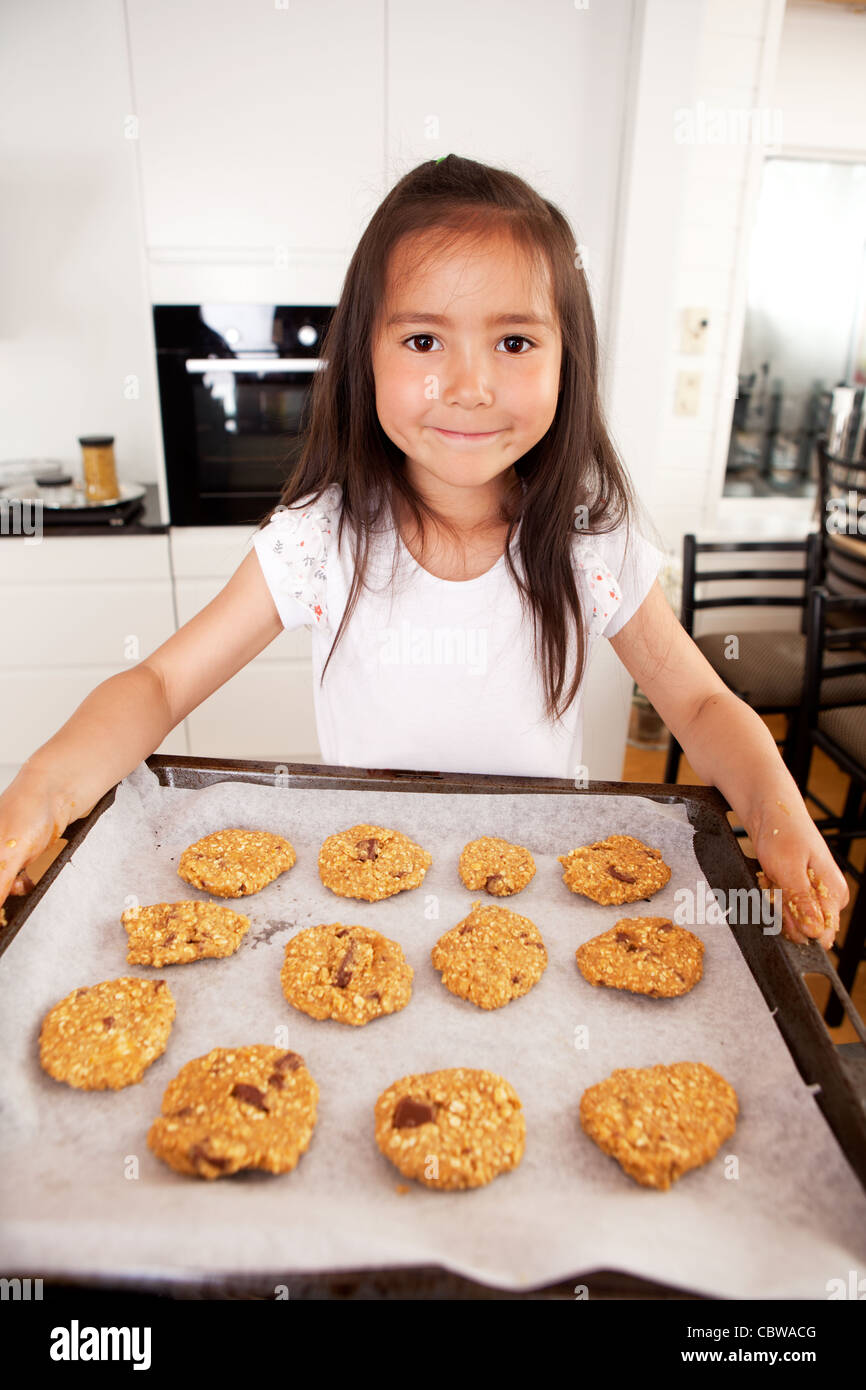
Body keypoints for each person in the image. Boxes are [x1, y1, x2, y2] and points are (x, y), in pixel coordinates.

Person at [0, 154, 847, 947]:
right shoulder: (319, 541)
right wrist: (44, 786)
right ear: (363, 356)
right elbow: (160, 683)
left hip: (533, 907)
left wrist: (776, 808)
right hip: (360, 900)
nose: (470, 385)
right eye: (422, 341)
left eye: (514, 342)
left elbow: (699, 706)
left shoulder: (588, 541)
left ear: (567, 360)